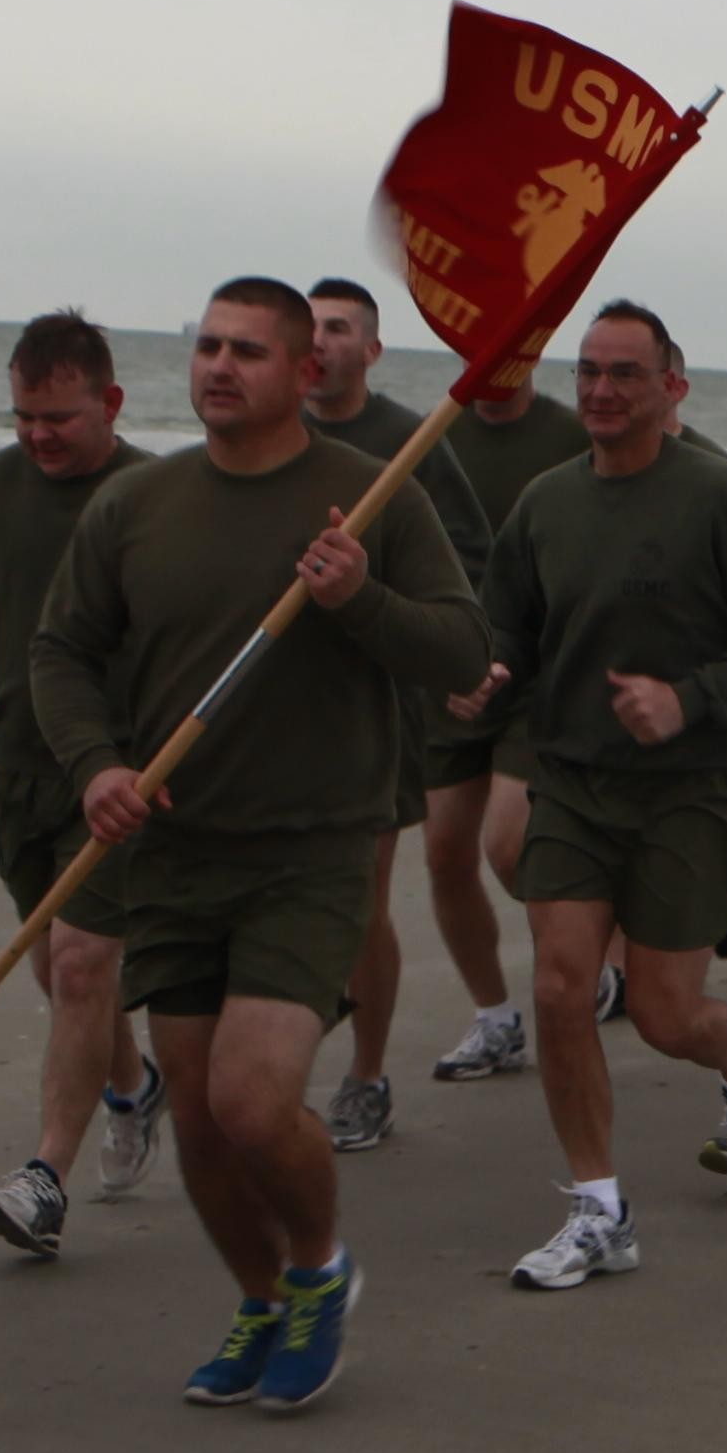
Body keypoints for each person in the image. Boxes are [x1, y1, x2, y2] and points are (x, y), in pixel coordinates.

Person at [21, 279, 487, 1406]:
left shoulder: (367, 500)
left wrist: (359, 599)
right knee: (195, 1115)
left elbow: (461, 650)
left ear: (303, 372)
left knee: (250, 1097)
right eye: (209, 348)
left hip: (313, 847)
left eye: (249, 351)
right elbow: (62, 652)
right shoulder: (137, 506)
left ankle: (320, 1271)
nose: (221, 367)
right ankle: (261, 1300)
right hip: (176, 847)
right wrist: (99, 768)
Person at [467, 304, 727, 1286]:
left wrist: (689, 700)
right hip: (574, 782)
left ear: (672, 385)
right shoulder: (546, 503)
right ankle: (599, 1210)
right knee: (558, 985)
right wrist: (481, 676)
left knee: (668, 1015)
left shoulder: (716, 496)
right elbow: (508, 632)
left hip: (693, 790)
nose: (600, 391)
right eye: (587, 372)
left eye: (625, 373)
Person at [0, 312, 151, 1248]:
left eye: (58, 416)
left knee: (87, 963)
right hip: (20, 771)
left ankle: (43, 1175)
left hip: (128, 777)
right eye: (23, 418)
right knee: (62, 975)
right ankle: (133, 1086)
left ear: (111, 402)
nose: (40, 435)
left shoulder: (153, 496)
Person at [297, 275, 492, 1152]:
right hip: (275, 703)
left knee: (363, 896)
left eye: (340, 329)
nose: (322, 343)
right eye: (309, 329)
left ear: (371, 350)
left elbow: (470, 561)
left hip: (379, 703)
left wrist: (453, 664)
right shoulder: (264, 435)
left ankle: (366, 1076)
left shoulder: (407, 443)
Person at [417, 348, 589, 1095]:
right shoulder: (433, 438)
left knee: (509, 844)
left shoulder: (571, 434)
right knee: (444, 853)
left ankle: (583, 972)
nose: (483, 361)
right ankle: (495, 1017)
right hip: (457, 673)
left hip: (541, 674)